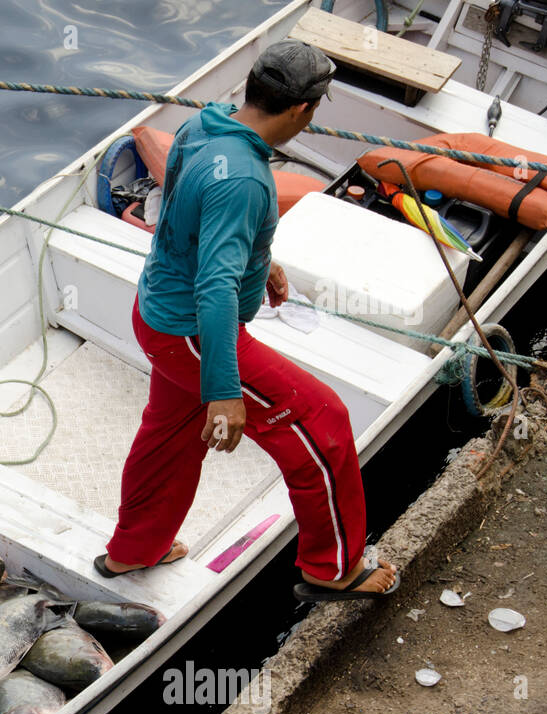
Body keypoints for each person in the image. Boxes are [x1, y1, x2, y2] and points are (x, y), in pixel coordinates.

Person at [95, 40, 400, 601]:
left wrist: (261, 262)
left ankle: (134, 549)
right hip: (193, 332)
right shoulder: (245, 178)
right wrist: (224, 390)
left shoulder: (201, 127)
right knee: (321, 421)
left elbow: (192, 215)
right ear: (304, 110)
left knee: (167, 437)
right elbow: (213, 286)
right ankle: (332, 569)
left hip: (157, 313)